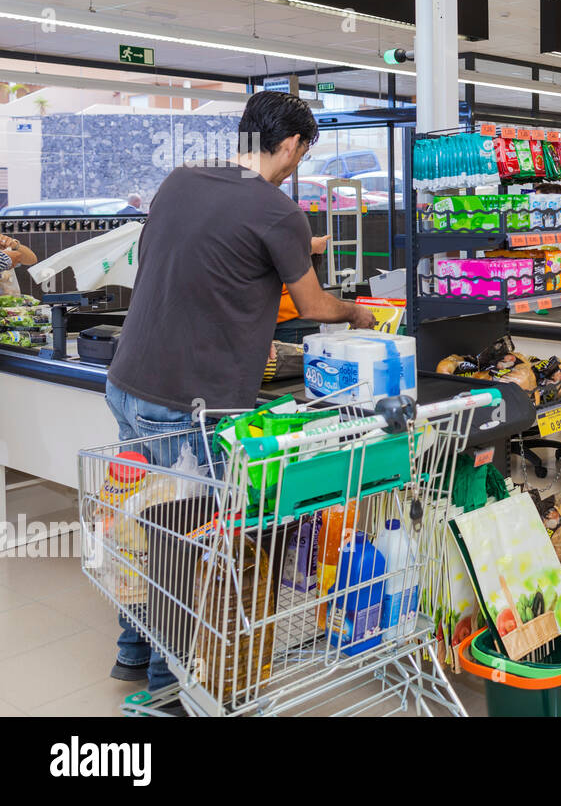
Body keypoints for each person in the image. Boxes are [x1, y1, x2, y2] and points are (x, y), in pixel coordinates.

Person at [104, 91, 375, 693]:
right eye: (304, 152)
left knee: (143, 520)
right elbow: (310, 306)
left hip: (128, 382)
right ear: (293, 146)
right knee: (192, 538)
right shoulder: (279, 213)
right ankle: (169, 679)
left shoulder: (179, 181)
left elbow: (185, 264)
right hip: (191, 405)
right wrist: (356, 314)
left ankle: (131, 648)